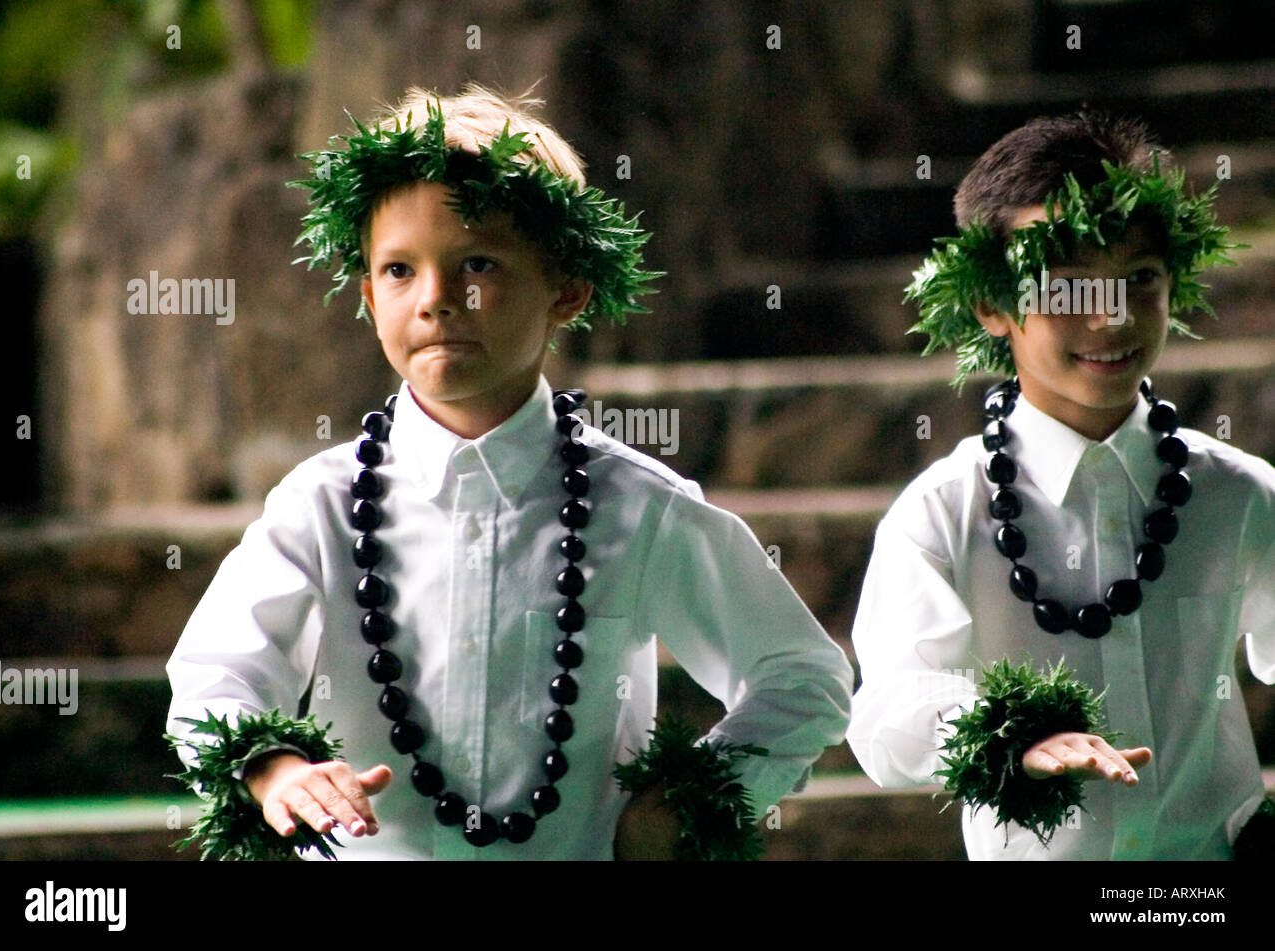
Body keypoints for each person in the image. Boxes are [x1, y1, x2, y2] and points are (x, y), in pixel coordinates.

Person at [165, 84, 852, 861]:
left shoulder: (640, 508)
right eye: (398, 269)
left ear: (566, 288)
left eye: (478, 262)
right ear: (366, 293)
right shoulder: (319, 506)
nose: (435, 300)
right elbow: (214, 675)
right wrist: (275, 770)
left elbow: (803, 678)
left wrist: (683, 804)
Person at [846, 111, 1275, 859]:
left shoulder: (1240, 493)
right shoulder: (943, 514)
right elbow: (885, 710)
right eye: (1067, 286)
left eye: (1140, 280)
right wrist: (1010, 732)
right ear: (991, 303)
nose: (1110, 318)